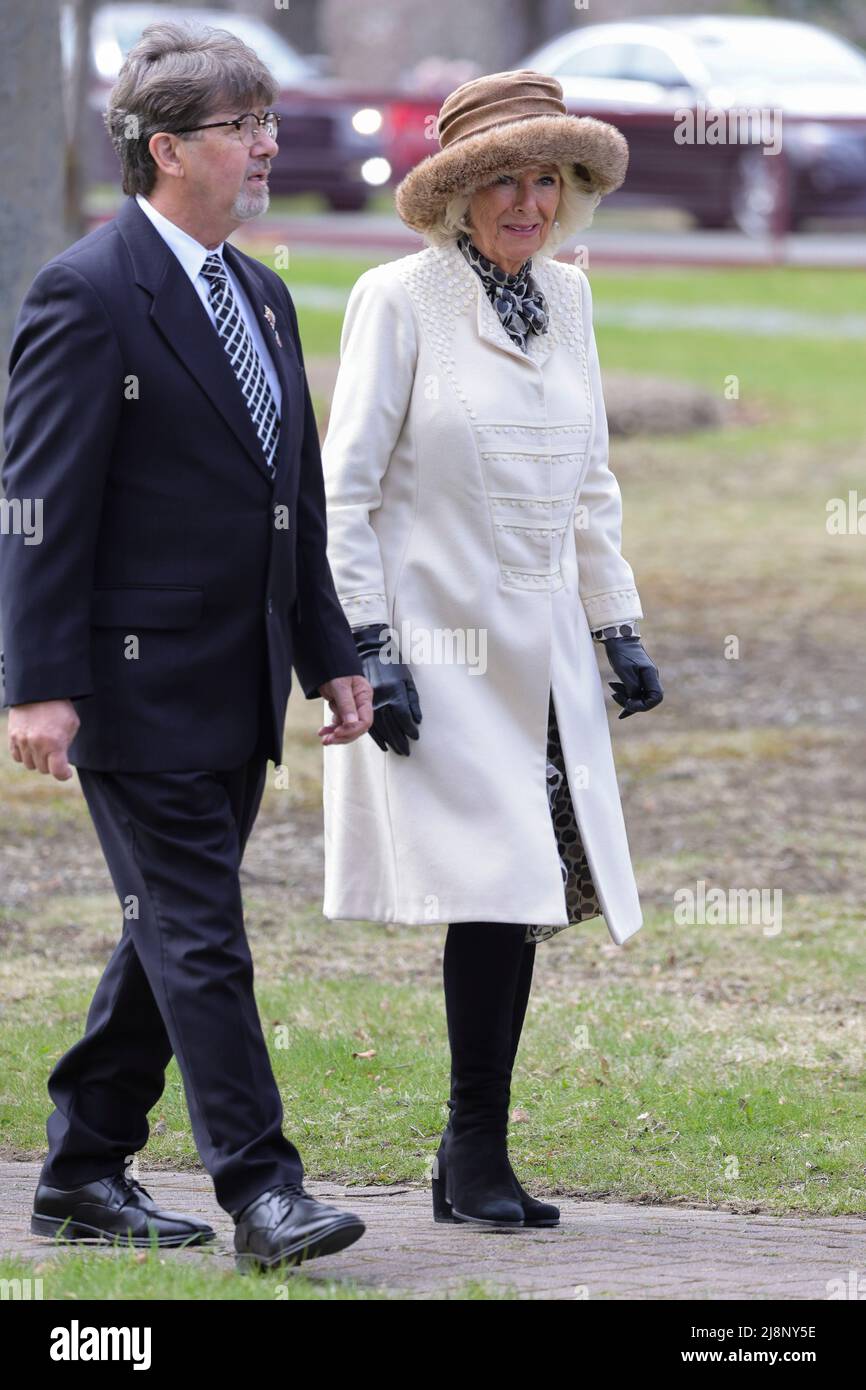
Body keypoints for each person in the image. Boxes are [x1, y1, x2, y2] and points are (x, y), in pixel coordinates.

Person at [0, 21, 374, 1273]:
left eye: (267, 122)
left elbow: (291, 500)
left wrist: (330, 652)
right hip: (132, 687)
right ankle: (264, 1191)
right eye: (240, 126)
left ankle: (80, 1170)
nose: (266, 145)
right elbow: (37, 505)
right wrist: (38, 684)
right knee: (202, 933)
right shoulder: (87, 293)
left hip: (239, 681)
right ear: (165, 149)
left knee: (165, 930)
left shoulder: (259, 292)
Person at [320, 70, 663, 1228]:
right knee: (497, 883)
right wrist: (369, 645)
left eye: (545, 180)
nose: (528, 203)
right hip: (436, 646)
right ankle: (470, 1151)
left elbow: (590, 477)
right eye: (503, 181)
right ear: (455, 194)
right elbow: (344, 488)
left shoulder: (568, 297)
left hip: (545, 648)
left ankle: (473, 1153)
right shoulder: (398, 298)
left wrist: (617, 625)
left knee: (524, 894)